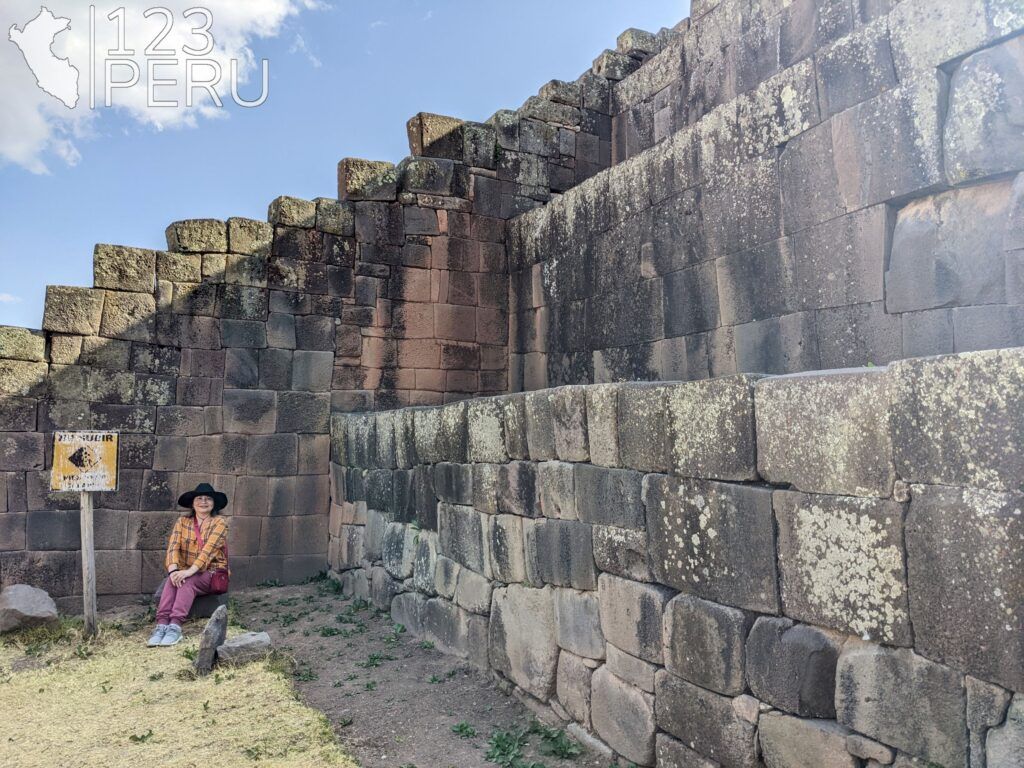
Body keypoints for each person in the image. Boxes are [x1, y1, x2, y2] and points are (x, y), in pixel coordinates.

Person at [148, 483, 230, 647]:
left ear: (214, 503)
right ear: (193, 503)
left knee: (188, 582)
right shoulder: (182, 522)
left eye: (208, 499)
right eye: (199, 498)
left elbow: (208, 551)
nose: (203, 502)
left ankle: (175, 626)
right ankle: (161, 624)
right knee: (173, 580)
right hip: (186, 570)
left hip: (211, 572)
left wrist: (188, 572)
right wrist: (174, 571)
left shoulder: (219, 522)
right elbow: (173, 547)